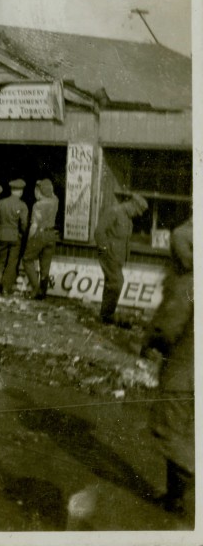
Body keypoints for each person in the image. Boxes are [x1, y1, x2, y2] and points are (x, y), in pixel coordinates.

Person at [141, 218, 193, 517]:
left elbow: (169, 328)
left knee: (171, 430)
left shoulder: (187, 283)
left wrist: (151, 344)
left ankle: (177, 498)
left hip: (184, 373)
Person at [94, 193, 149, 324]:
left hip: (118, 257)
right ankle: (108, 315)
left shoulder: (128, 217)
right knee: (117, 282)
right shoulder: (114, 211)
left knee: (111, 284)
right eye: (138, 210)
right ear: (132, 204)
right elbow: (99, 232)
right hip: (109, 254)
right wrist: (106, 249)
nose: (139, 214)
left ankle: (105, 315)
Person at [0, 179, 29, 295]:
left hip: (1, 236)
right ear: (20, 191)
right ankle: (6, 289)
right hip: (15, 237)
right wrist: (22, 233)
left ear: (11, 190)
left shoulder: (0, 203)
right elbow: (24, 223)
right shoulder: (22, 205)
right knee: (12, 263)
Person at [23, 179, 60, 299]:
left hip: (40, 234)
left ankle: (35, 288)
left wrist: (29, 239)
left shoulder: (37, 205)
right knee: (45, 265)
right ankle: (42, 293)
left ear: (39, 191)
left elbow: (34, 225)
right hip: (52, 235)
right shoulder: (55, 201)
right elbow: (53, 194)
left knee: (27, 259)